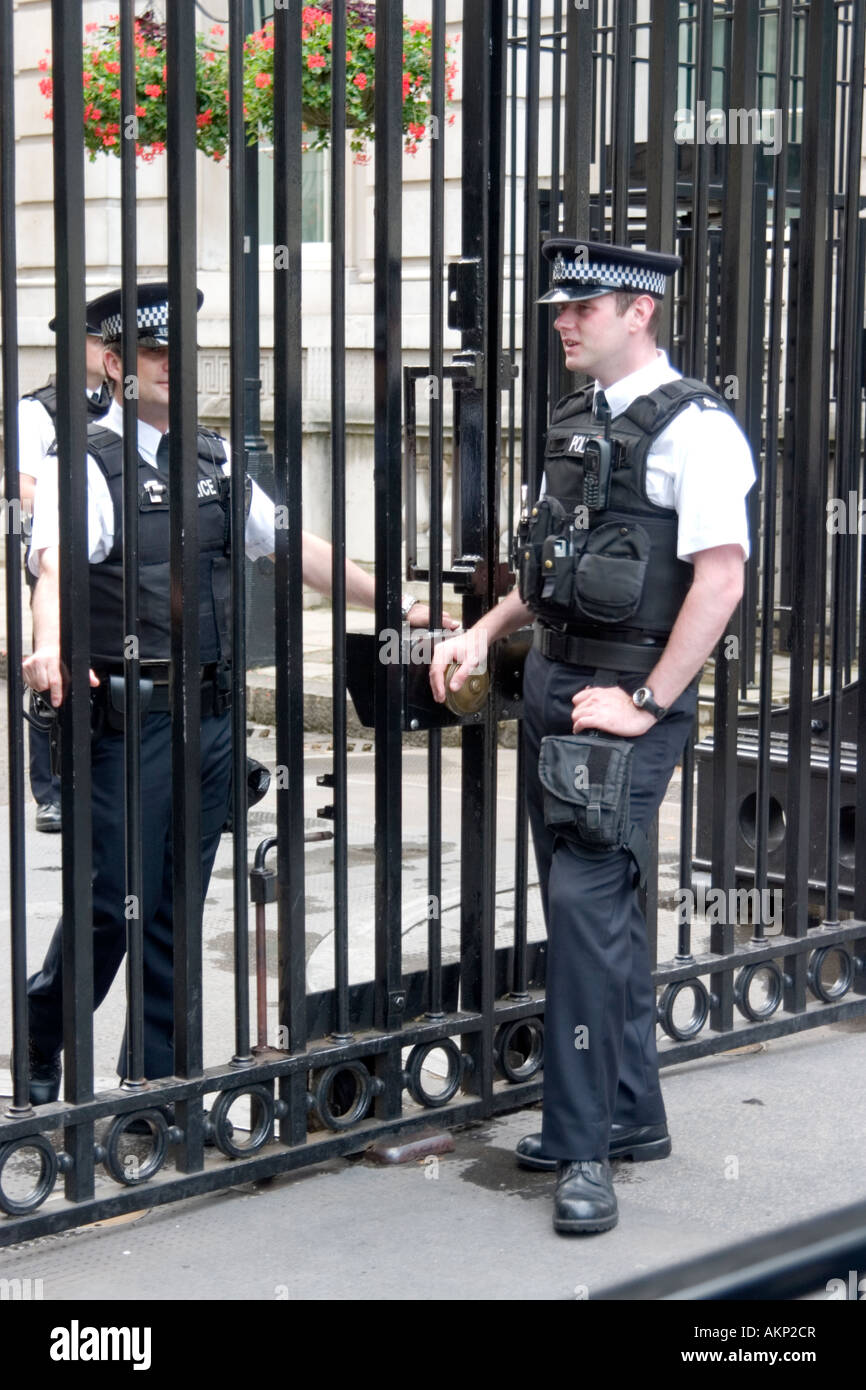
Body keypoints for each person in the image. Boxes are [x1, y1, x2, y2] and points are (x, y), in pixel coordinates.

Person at [22, 280, 455, 1104]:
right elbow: (54, 568)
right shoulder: (81, 461)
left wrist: (396, 603)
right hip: (126, 719)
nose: (172, 368)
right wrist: (48, 644)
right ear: (115, 365)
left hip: (211, 718)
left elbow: (296, 548)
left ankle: (155, 1085)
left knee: (177, 905)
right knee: (112, 902)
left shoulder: (215, 461)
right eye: (154, 354)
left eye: (182, 352)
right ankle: (44, 1036)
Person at [431, 240, 755, 1234]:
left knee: (577, 913)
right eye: (559, 307)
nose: (562, 321)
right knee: (594, 910)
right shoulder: (580, 424)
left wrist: (648, 701)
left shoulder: (697, 431)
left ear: (638, 313)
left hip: (619, 705)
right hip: (557, 689)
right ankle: (628, 1113)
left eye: (582, 307)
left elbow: (720, 577)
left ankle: (582, 1154)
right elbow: (555, 564)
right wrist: (483, 629)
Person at [19, 306, 113, 832]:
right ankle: (51, 790)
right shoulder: (39, 409)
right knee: (55, 669)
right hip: (60, 553)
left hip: (111, 559)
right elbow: (24, 485)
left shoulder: (121, 405)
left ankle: (101, 775)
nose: (107, 350)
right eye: (100, 340)